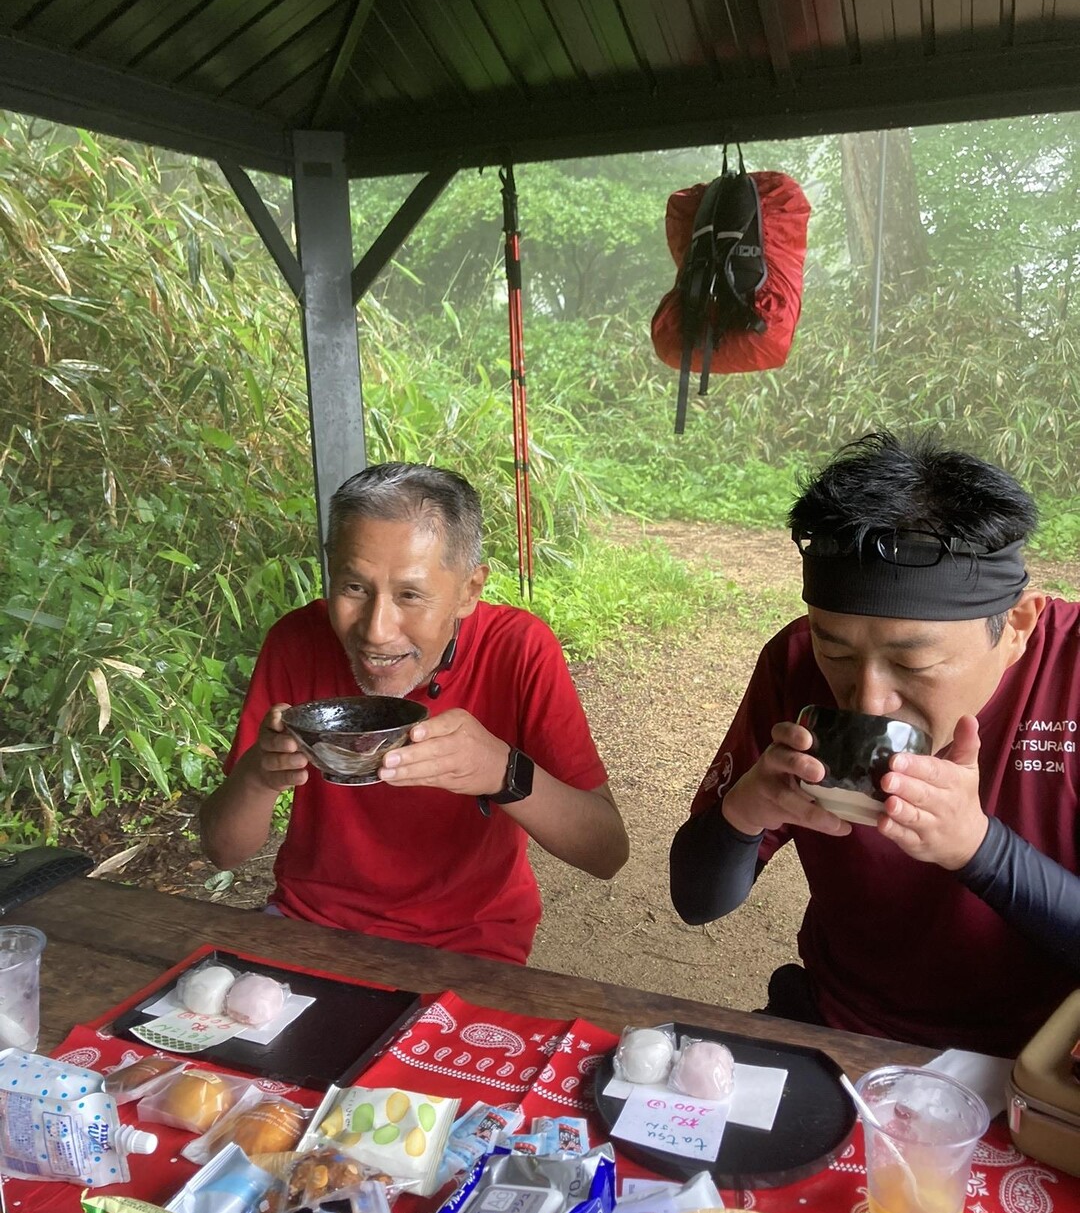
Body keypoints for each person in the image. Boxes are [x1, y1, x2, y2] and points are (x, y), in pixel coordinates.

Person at [670, 431, 1079, 1055]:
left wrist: (978, 849)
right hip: (841, 1030)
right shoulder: (797, 663)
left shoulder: (1071, 673)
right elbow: (697, 900)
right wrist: (747, 809)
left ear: (1017, 626)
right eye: (837, 651)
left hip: (1041, 1059)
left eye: (912, 665)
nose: (865, 701)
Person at [202, 462, 628, 963]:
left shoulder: (518, 650)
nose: (377, 631)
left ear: (469, 591)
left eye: (410, 595)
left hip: (472, 942)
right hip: (311, 925)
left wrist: (502, 771)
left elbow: (605, 852)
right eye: (353, 588)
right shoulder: (297, 641)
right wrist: (258, 775)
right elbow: (222, 851)